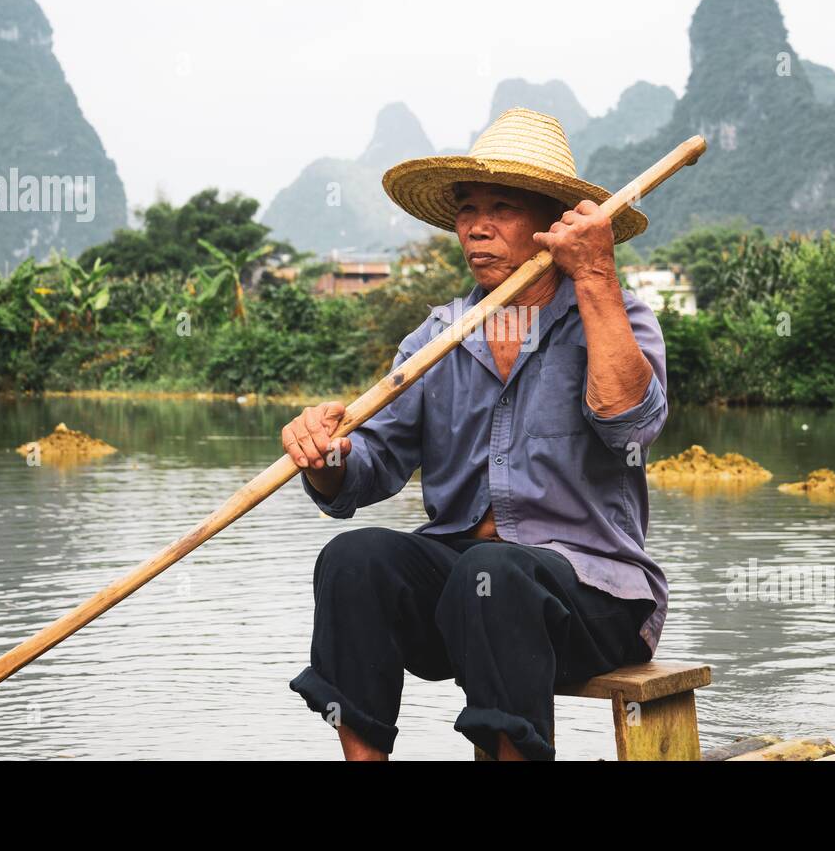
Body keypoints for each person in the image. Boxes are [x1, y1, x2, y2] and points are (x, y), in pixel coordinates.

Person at [286, 107, 669, 760]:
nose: (477, 227)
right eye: (467, 209)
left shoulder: (613, 315)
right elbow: (367, 466)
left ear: (553, 222)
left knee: (494, 574)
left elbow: (631, 422)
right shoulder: (437, 339)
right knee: (353, 561)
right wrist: (326, 453)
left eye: (501, 207)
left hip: (593, 602)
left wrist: (596, 274)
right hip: (460, 599)